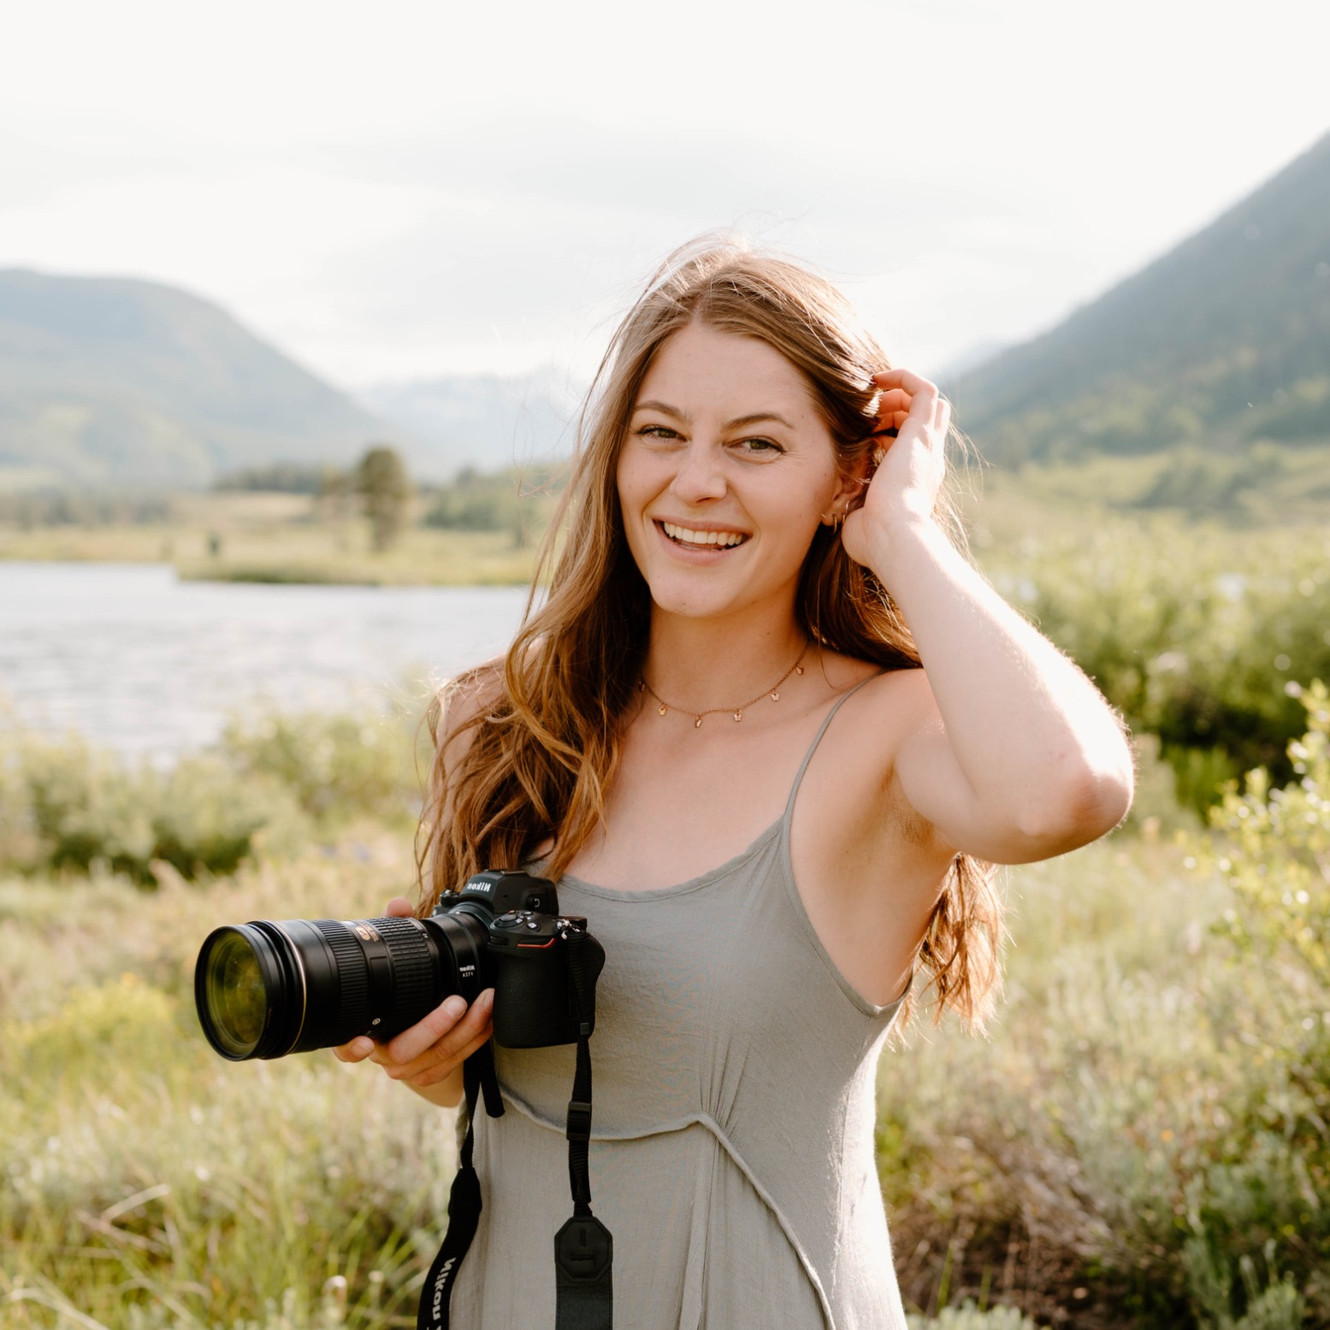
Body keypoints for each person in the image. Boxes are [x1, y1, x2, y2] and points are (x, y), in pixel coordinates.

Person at [335, 239, 1135, 1328]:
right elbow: (495, 1087)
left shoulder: (882, 736)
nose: (694, 480)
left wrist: (902, 533)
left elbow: (1070, 791)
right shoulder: (507, 721)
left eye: (756, 444)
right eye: (660, 432)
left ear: (845, 475)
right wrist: (432, 1063)